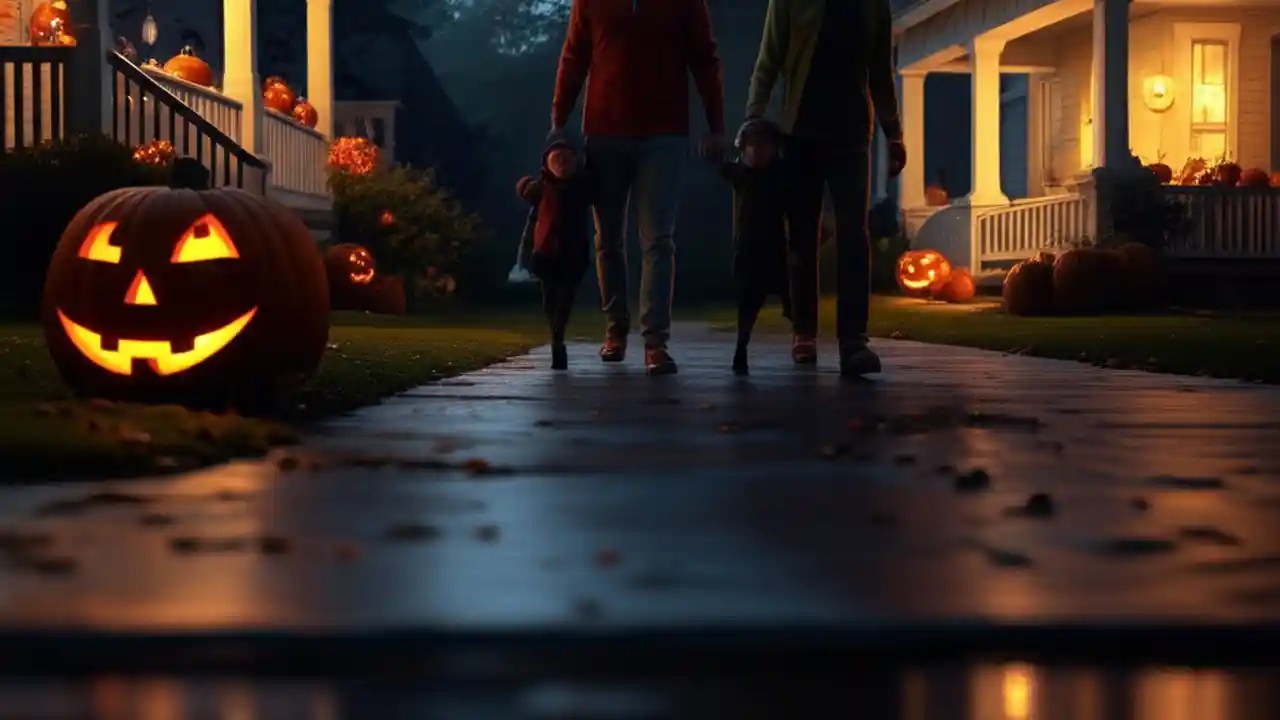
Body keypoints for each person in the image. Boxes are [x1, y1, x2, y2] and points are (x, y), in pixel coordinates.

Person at [551, 0, 726, 376]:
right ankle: (615, 327)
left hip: (664, 134)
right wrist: (558, 121)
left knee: (658, 238)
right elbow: (574, 56)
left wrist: (716, 124)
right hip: (604, 130)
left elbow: (704, 58)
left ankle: (655, 341)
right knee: (608, 237)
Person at [745, 0, 907, 377]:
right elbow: (769, 59)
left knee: (855, 235)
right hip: (799, 132)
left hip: (851, 134)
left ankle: (854, 341)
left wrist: (893, 132)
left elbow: (880, 69)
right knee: (803, 234)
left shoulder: (872, 5)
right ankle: (804, 330)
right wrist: (754, 118)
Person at [715, 118, 791, 375]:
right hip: (748, 249)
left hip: (777, 248)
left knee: (791, 296)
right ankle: (741, 349)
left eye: (764, 145)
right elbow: (721, 167)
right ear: (743, 148)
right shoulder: (742, 174)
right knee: (747, 304)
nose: (757, 151)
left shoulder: (780, 174)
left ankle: (803, 336)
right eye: (752, 145)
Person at [516, 140, 594, 370]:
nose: (561, 164)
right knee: (550, 298)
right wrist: (525, 185)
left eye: (567, 160)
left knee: (564, 297)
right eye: (556, 159)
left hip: (573, 254)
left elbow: (596, 187)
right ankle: (556, 336)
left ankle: (557, 336)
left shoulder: (580, 188)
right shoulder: (541, 189)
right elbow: (524, 189)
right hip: (545, 252)